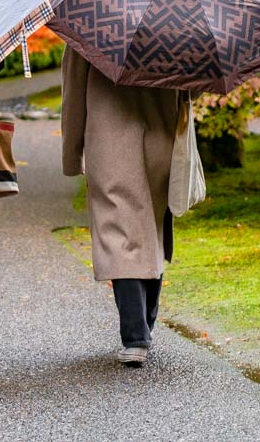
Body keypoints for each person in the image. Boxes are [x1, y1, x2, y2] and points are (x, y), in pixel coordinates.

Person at [60, 46, 185, 367]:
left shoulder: (89, 17)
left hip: (108, 136)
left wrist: (72, 151)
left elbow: (74, 90)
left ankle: (135, 335)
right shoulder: (172, 19)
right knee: (151, 226)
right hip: (161, 132)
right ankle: (145, 325)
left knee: (119, 230)